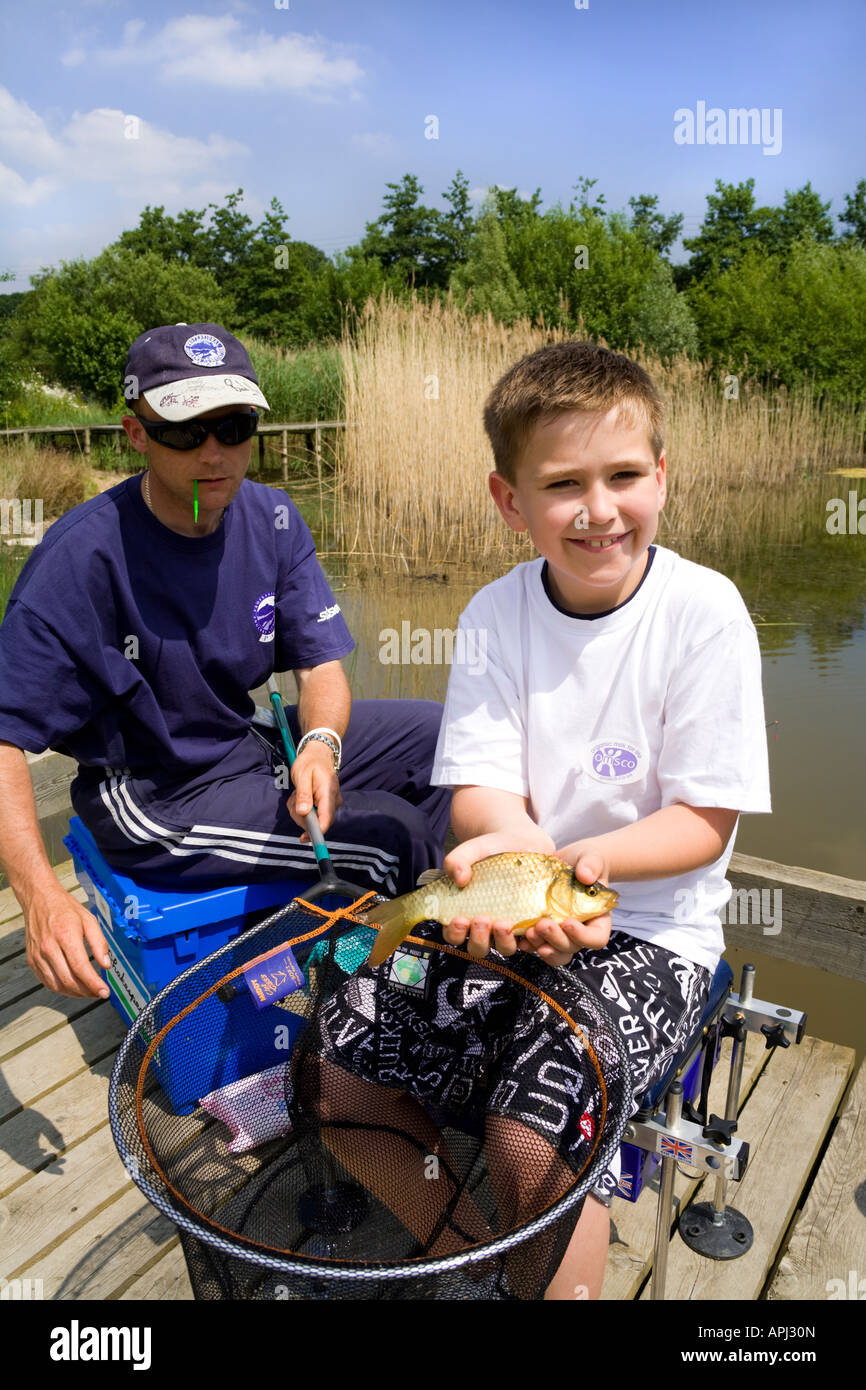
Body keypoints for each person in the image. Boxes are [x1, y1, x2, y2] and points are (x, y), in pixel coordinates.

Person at [304, 340, 771, 1299]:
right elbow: (480, 796)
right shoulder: (491, 615)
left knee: (530, 1137)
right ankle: (464, 1258)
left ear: (663, 478)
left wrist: (585, 864)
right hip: (519, 897)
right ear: (509, 500)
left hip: (651, 929)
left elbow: (704, 821)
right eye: (563, 484)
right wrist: (508, 857)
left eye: (625, 476)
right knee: (334, 1065)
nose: (600, 510)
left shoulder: (706, 613)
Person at [0, 322, 450, 1002]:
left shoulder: (272, 516)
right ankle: (373, 988)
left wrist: (322, 745)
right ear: (137, 434)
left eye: (235, 427)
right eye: (186, 431)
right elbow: (5, 740)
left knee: (438, 735)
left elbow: (322, 664)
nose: (214, 453)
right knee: (393, 837)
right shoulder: (78, 560)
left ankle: (402, 954)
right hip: (152, 791)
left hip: (243, 744)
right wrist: (39, 898)